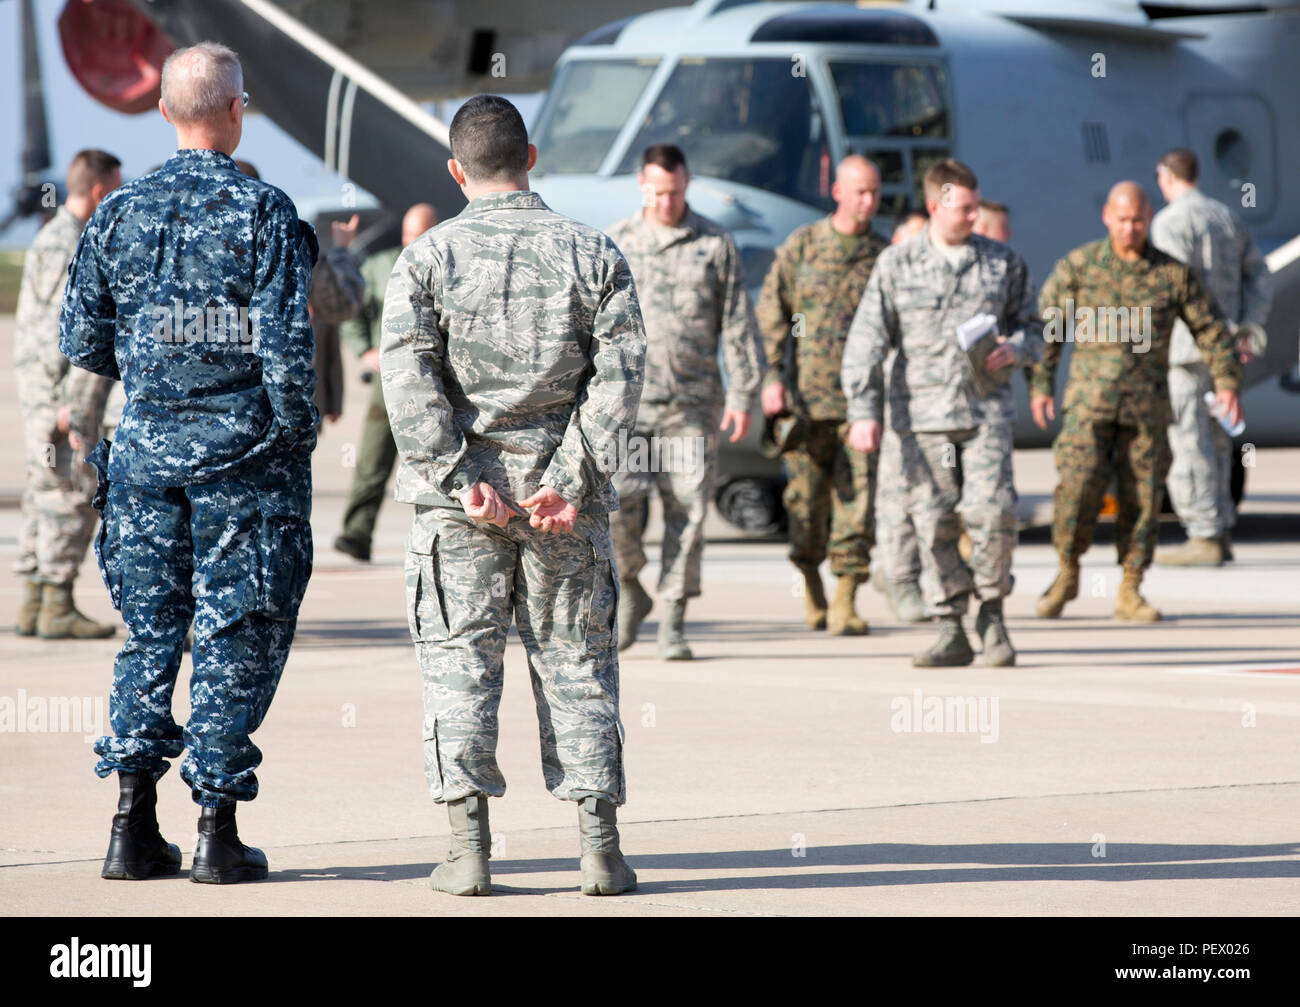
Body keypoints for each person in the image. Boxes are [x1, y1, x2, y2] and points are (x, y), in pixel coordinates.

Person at [60, 42, 319, 884]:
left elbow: (84, 344)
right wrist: (297, 434)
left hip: (143, 465)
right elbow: (286, 354)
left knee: (149, 634)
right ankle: (217, 829)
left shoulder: (117, 214)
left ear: (163, 111)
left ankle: (130, 826)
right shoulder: (264, 212)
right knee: (235, 632)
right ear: (237, 109)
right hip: (243, 463)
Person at [382, 95, 645, 897]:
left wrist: (466, 482)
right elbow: (622, 377)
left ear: (457, 171)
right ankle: (599, 848)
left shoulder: (425, 259)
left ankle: (468, 853)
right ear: (531, 157)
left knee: (459, 667)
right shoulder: (593, 251)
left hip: (461, 516)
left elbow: (407, 385)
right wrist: (568, 480)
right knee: (579, 666)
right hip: (563, 511)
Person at [843, 158, 1043, 667]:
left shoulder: (1003, 263)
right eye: (963, 208)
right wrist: (863, 411)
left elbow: (1037, 328)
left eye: (977, 208)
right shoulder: (897, 265)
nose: (973, 217)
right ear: (935, 206)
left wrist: (1017, 349)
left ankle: (992, 615)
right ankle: (950, 624)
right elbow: (866, 340)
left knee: (993, 511)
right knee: (933, 523)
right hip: (922, 419)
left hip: (985, 414)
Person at [1032, 181, 1243, 621]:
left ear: (1149, 220)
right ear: (1107, 217)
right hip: (1088, 405)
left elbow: (1210, 329)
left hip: (1146, 409)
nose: (1130, 229)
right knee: (1077, 489)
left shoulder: (1172, 274)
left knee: (1143, 500)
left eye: (1138, 221)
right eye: (1123, 220)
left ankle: (1130, 588)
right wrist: (1040, 384)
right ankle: (1067, 572)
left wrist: (1225, 382)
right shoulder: (1080, 266)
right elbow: (1049, 329)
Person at [606, 144, 763, 660]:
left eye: (675, 191)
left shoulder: (715, 243)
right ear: (641, 184)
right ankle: (630, 588)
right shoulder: (618, 241)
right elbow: (597, 327)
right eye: (657, 191)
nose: (667, 201)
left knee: (688, 511)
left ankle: (673, 618)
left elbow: (737, 321)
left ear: (688, 183)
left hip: (691, 405)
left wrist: (743, 392)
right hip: (630, 405)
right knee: (617, 507)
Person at [756, 155, 887, 635]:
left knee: (858, 503)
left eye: (874, 192)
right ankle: (812, 587)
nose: (868, 201)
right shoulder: (804, 247)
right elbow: (773, 311)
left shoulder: (883, 254)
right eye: (859, 192)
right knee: (806, 505)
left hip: (862, 406)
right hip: (807, 406)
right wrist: (771, 378)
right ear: (837, 191)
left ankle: (847, 599)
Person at [13, 149, 121, 640]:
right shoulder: (70, 243)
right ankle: (55, 600)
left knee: (44, 492)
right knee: (72, 493)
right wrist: (67, 402)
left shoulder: (49, 235)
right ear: (99, 190)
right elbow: (67, 327)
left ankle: (34, 601)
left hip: (38, 387)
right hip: (57, 391)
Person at [1151, 148, 1271, 566]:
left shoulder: (1169, 223)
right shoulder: (1225, 217)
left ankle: (1202, 534)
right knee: (1220, 440)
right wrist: (1248, 327)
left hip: (1185, 349)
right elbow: (1258, 273)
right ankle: (1219, 530)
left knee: (1188, 439)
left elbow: (1173, 289)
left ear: (1165, 177)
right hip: (1227, 348)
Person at [334, 202, 439, 561]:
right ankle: (357, 534)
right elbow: (352, 312)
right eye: (409, 234)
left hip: (437, 382)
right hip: (390, 380)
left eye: (420, 234)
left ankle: (437, 541)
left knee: (438, 461)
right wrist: (365, 350)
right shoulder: (380, 266)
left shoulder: (447, 264)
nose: (414, 242)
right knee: (371, 460)